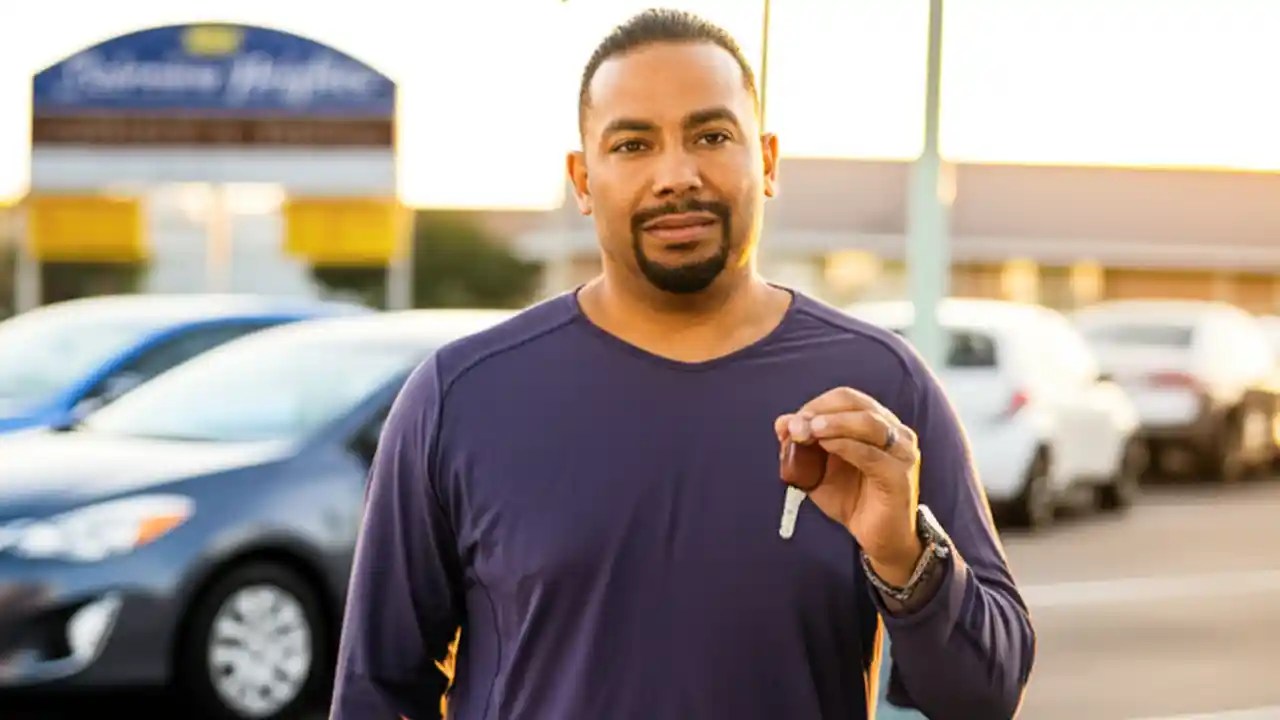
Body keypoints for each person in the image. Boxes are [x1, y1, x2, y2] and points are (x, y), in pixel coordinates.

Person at [330, 8, 1035, 719]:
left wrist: (905, 557)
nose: (677, 174)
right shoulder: (462, 397)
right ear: (583, 178)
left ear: (766, 161)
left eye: (712, 135)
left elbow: (984, 695)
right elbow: (376, 691)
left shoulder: (878, 392)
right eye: (633, 144)